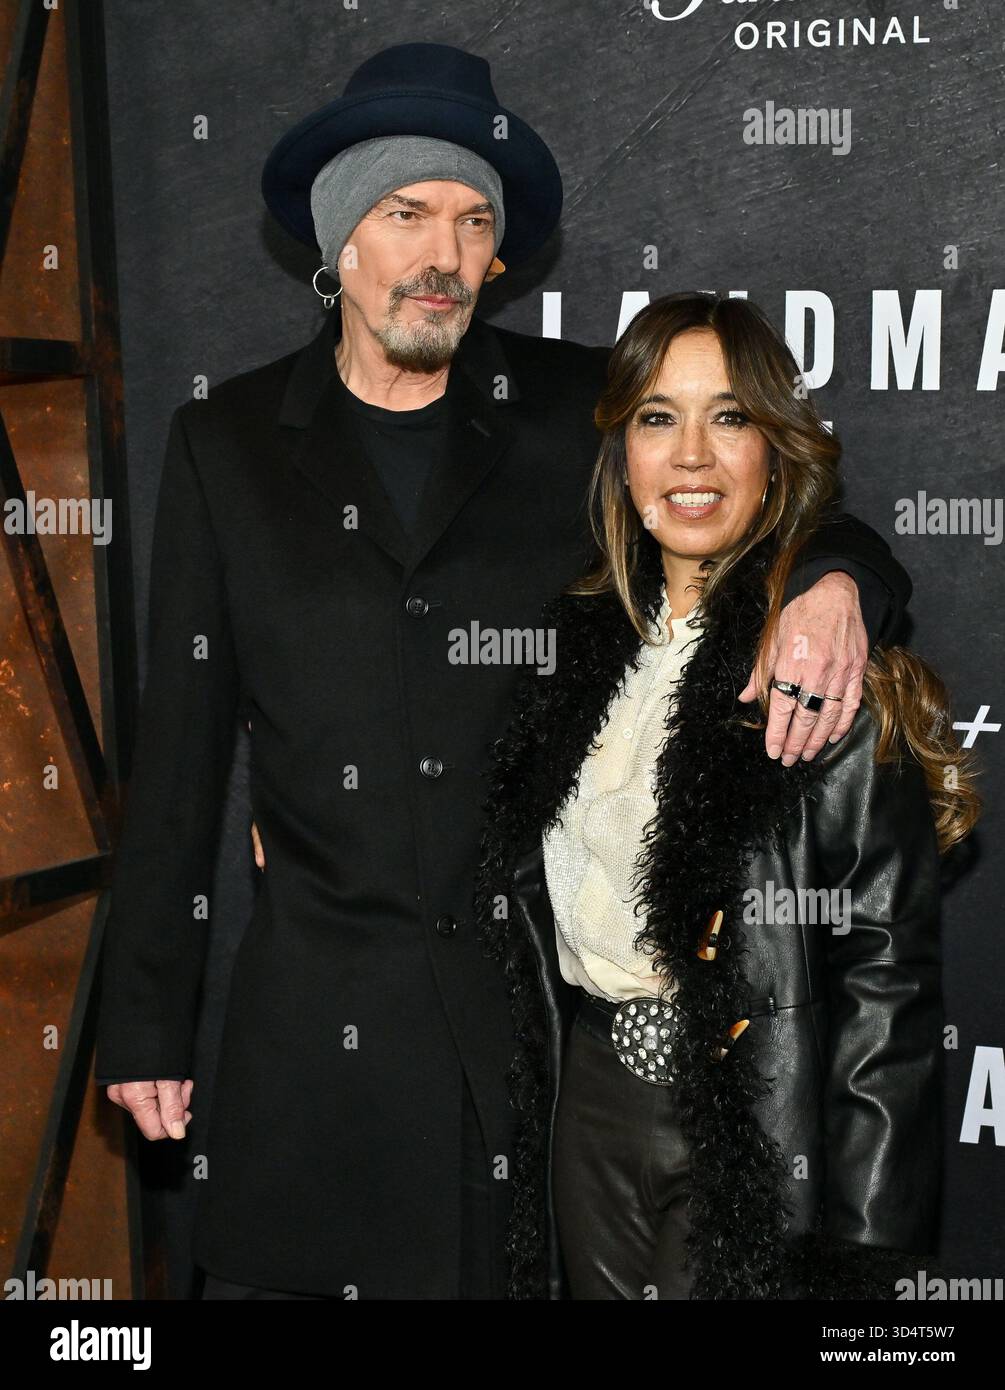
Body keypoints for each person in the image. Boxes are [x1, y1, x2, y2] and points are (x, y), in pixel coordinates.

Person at [95, 44, 915, 1301]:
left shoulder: (576, 408)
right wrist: (146, 1018)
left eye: (475, 224)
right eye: (408, 214)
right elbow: (181, 754)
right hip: (317, 1028)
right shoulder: (227, 443)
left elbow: (759, 492)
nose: (445, 254)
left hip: (521, 1044)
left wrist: (839, 582)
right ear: (340, 242)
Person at [474, 290, 980, 1301]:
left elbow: (889, 992)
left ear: (777, 451)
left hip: (756, 1123)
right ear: (622, 453)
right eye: (659, 418)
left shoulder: (824, 670)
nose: (693, 457)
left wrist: (866, 1258)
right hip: (589, 1112)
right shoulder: (570, 650)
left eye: (730, 417)